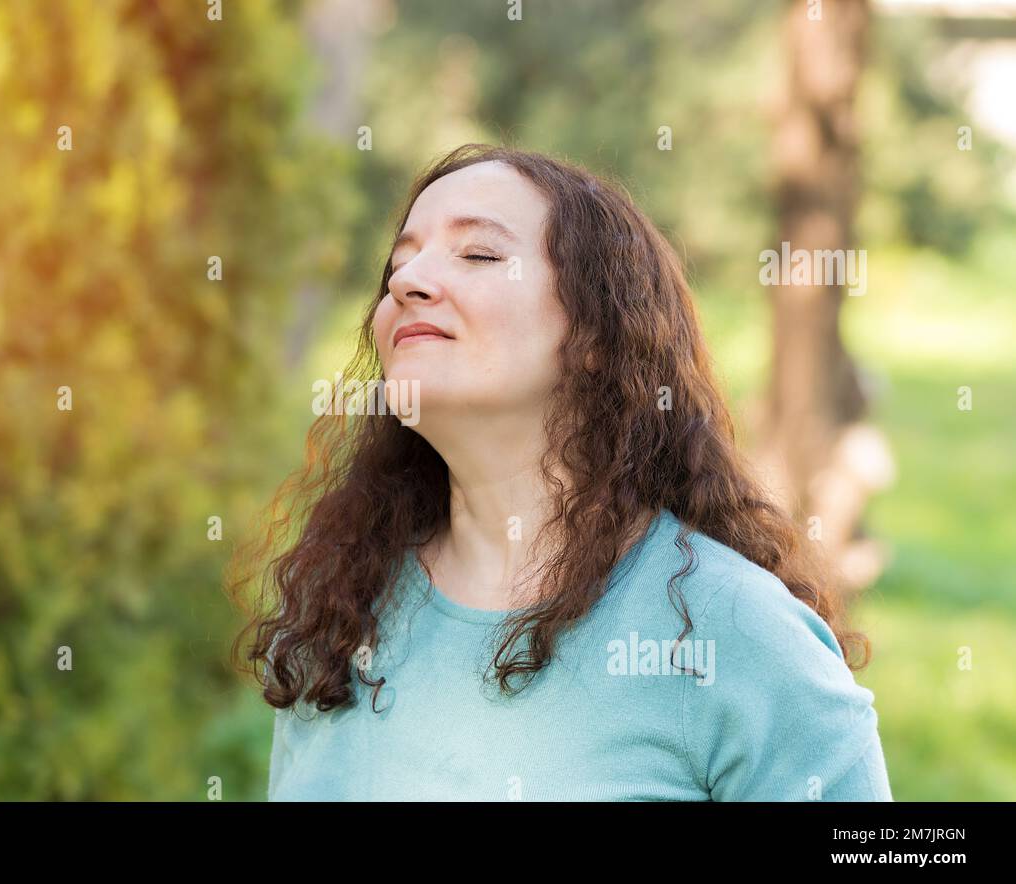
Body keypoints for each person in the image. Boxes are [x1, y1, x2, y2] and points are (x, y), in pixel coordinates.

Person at [229, 143, 893, 801]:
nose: (407, 283)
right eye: (398, 265)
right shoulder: (343, 610)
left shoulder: (735, 632)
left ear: (599, 336)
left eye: (479, 255)